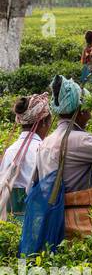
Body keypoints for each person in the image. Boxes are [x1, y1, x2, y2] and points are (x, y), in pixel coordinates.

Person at [28, 75, 92, 246]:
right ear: (81, 112)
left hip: (49, 223)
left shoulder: (46, 142)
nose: (90, 116)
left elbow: (32, 187)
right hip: (75, 222)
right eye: (89, 111)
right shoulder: (80, 140)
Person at [0, 93, 52, 221]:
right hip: (36, 220)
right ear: (43, 122)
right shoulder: (43, 150)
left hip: (10, 221)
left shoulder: (10, 151)